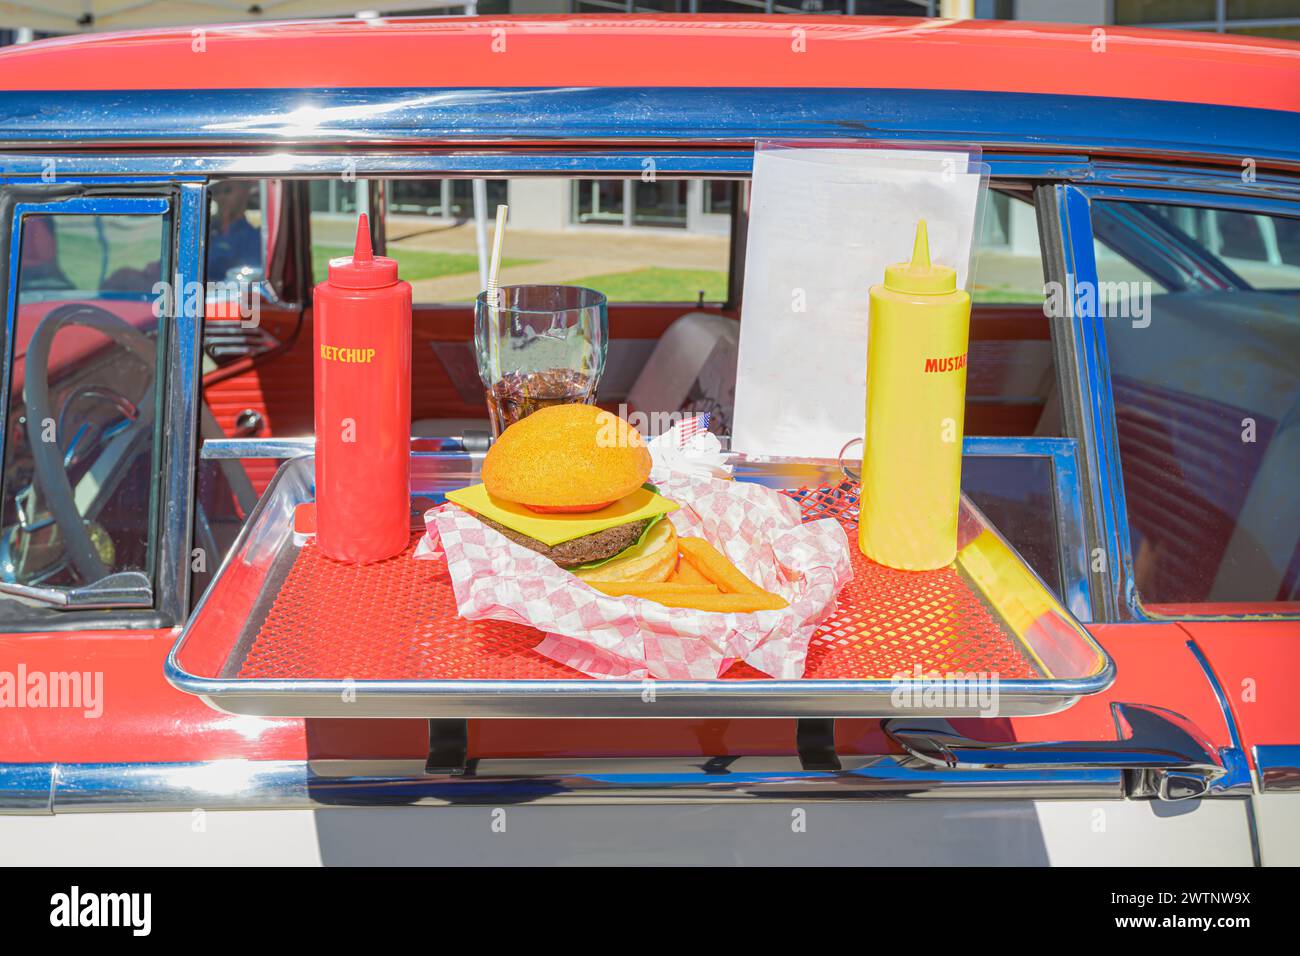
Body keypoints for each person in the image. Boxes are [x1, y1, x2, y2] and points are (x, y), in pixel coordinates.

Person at [206, 180, 262, 281]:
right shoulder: (204, 230)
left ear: (245, 193)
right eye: (216, 192)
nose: (221, 197)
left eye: (227, 190)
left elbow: (250, 279)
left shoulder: (254, 238)